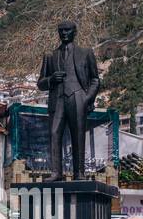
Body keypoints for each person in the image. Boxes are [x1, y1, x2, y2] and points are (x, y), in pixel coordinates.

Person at [37, 21, 101, 180]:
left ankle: (79, 173)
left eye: (68, 30)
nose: (64, 33)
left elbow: (95, 80)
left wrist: (87, 98)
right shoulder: (50, 55)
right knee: (54, 133)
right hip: (57, 100)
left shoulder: (85, 53)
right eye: (61, 31)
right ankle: (56, 172)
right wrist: (51, 79)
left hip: (77, 98)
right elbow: (40, 83)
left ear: (74, 32)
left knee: (78, 135)